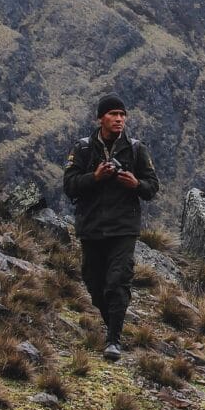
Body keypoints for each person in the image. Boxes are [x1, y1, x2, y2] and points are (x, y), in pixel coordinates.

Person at [62, 95, 159, 360]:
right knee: (94, 283)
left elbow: (152, 187)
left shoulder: (137, 149)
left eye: (122, 114)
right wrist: (94, 177)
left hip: (123, 228)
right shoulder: (82, 149)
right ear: (100, 118)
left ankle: (114, 340)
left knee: (117, 281)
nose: (119, 119)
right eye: (113, 114)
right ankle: (113, 324)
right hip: (91, 226)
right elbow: (69, 185)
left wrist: (135, 184)